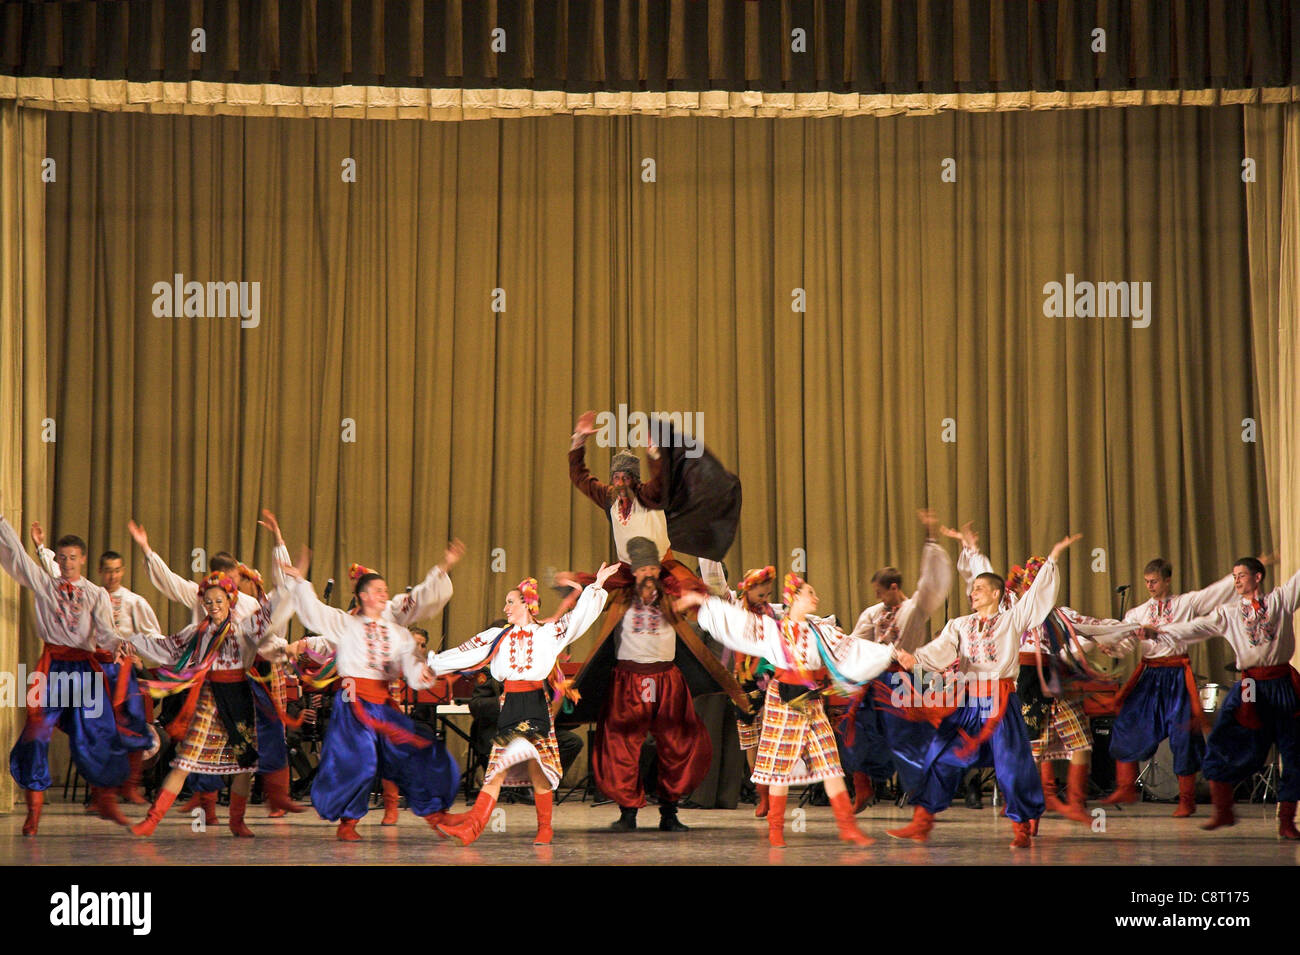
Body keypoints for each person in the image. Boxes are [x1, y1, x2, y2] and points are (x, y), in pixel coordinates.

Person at [883, 534, 1081, 849]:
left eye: (978, 588)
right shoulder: (959, 625)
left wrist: (1054, 556)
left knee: (1011, 763)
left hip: (1001, 700)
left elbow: (1036, 599)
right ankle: (922, 823)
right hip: (968, 699)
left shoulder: (1012, 620)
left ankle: (1021, 828)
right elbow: (940, 651)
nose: (972, 593)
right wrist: (914, 658)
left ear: (996, 593)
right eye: (972, 588)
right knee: (938, 755)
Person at [681, 571, 899, 848]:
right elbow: (736, 622)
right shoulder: (773, 629)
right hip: (783, 702)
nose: (816, 597)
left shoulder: (822, 630)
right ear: (794, 598)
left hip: (811, 702)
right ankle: (776, 829)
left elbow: (851, 648)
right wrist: (703, 603)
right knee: (779, 769)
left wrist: (890, 653)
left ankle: (848, 827)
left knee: (830, 765)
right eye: (810, 592)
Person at [429, 566, 616, 845]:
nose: (505, 607)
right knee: (496, 770)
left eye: (511, 601)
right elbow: (466, 651)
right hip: (511, 704)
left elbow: (578, 619)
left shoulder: (549, 632)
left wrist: (597, 586)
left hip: (534, 704)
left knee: (537, 769)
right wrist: (434, 664)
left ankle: (544, 828)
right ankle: (471, 830)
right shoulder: (498, 637)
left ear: (527, 604)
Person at [281, 561, 460, 841]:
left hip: (383, 705)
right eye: (378, 590)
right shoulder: (345, 623)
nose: (384, 594)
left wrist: (422, 673)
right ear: (363, 595)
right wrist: (300, 582)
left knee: (416, 751)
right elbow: (315, 611)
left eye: (385, 590)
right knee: (362, 762)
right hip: (353, 706)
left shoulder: (396, 631)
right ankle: (348, 822)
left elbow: (410, 659)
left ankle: (435, 814)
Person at [1143, 557, 1300, 839]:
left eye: (1241, 575)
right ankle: (1223, 808)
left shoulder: (1280, 600)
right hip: (1250, 685)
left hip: (1281, 684)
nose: (1236, 581)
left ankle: (1287, 820)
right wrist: (1161, 631)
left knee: (1294, 752)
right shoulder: (1229, 612)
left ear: (1258, 577)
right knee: (1220, 741)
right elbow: (1195, 627)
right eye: (1234, 576)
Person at [127, 571, 291, 837]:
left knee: (244, 765)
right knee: (185, 761)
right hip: (209, 697)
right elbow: (167, 646)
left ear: (231, 600)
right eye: (208, 602)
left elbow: (268, 613)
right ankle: (152, 820)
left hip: (239, 698)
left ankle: (237, 821)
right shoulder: (197, 633)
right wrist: (131, 641)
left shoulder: (244, 628)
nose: (213, 606)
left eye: (219, 600)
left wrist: (287, 581)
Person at [1, 516, 131, 835]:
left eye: (73, 557)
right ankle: (34, 811)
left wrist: (119, 646)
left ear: (83, 559)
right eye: (62, 558)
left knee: (99, 731)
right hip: (53, 666)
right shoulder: (45, 585)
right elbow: (17, 556)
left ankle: (104, 799)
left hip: (84, 669)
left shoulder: (96, 594)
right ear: (56, 561)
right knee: (36, 732)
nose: (68, 563)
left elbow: (106, 632)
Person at [1097, 558, 1239, 816]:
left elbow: (1214, 593)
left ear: (1167, 580)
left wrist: (1239, 575)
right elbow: (1127, 644)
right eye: (1147, 582)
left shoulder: (1185, 603)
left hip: (1176, 676)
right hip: (1150, 675)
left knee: (1183, 735)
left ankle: (1187, 799)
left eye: (1154, 581)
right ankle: (1126, 787)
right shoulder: (1137, 613)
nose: (1149, 586)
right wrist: (1112, 648)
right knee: (1127, 723)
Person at [843, 511, 953, 810]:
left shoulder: (913, 609)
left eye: (881, 591)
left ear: (894, 587)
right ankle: (862, 786)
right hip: (874, 679)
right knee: (857, 728)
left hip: (903, 679)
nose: (878, 597)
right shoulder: (873, 613)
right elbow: (855, 641)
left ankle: (922, 798)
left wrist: (931, 539)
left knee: (906, 736)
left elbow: (931, 583)